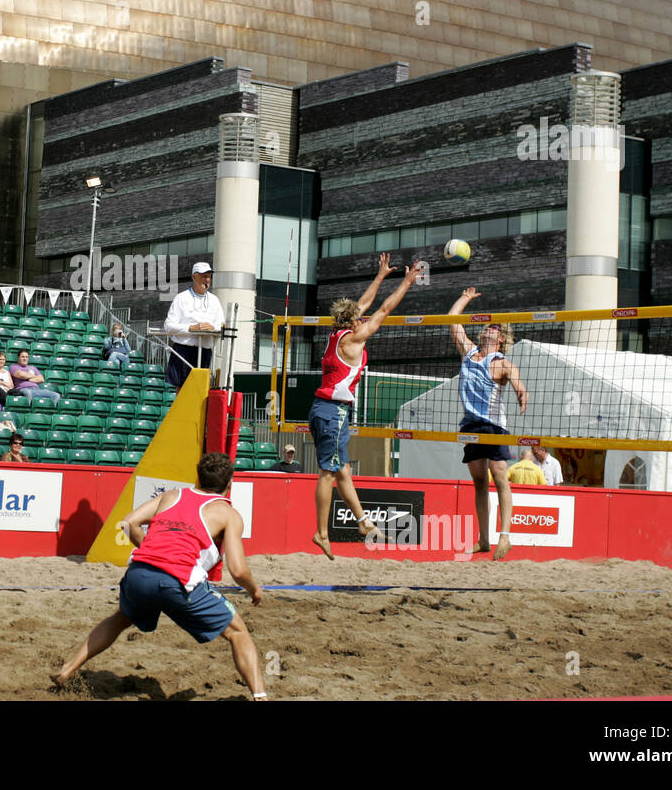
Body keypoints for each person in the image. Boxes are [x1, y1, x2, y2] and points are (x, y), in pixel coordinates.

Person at [52, 452, 267, 699]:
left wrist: (147, 548)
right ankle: (261, 697)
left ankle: (67, 669)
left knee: (121, 618)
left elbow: (128, 523)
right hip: (177, 581)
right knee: (238, 632)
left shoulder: (171, 495)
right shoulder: (229, 513)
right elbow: (238, 570)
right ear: (229, 485)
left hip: (138, 574)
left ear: (197, 479)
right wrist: (254, 589)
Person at [311, 254, 422, 559]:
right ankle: (321, 532)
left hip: (331, 410)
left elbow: (363, 303)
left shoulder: (339, 332)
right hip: (332, 412)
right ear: (355, 322)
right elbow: (384, 309)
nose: (362, 316)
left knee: (342, 470)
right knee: (328, 473)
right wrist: (407, 282)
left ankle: (363, 523)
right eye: (359, 316)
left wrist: (380, 276)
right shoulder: (354, 339)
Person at [448, 286, 530, 561]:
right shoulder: (469, 352)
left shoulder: (502, 362)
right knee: (479, 481)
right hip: (470, 426)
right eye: (487, 327)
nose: (488, 329)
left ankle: (504, 536)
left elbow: (518, 383)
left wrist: (521, 393)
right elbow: (452, 320)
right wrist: (466, 298)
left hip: (494, 426)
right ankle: (484, 540)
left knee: (500, 476)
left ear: (502, 337)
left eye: (494, 328)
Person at [163, 262, 225, 387]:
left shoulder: (214, 300)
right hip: (184, 349)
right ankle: (181, 407)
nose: (207, 280)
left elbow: (222, 325)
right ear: (194, 277)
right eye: (203, 276)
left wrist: (213, 328)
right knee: (182, 388)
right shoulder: (181, 298)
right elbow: (168, 326)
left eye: (209, 276)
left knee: (201, 389)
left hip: (205, 350)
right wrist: (190, 328)